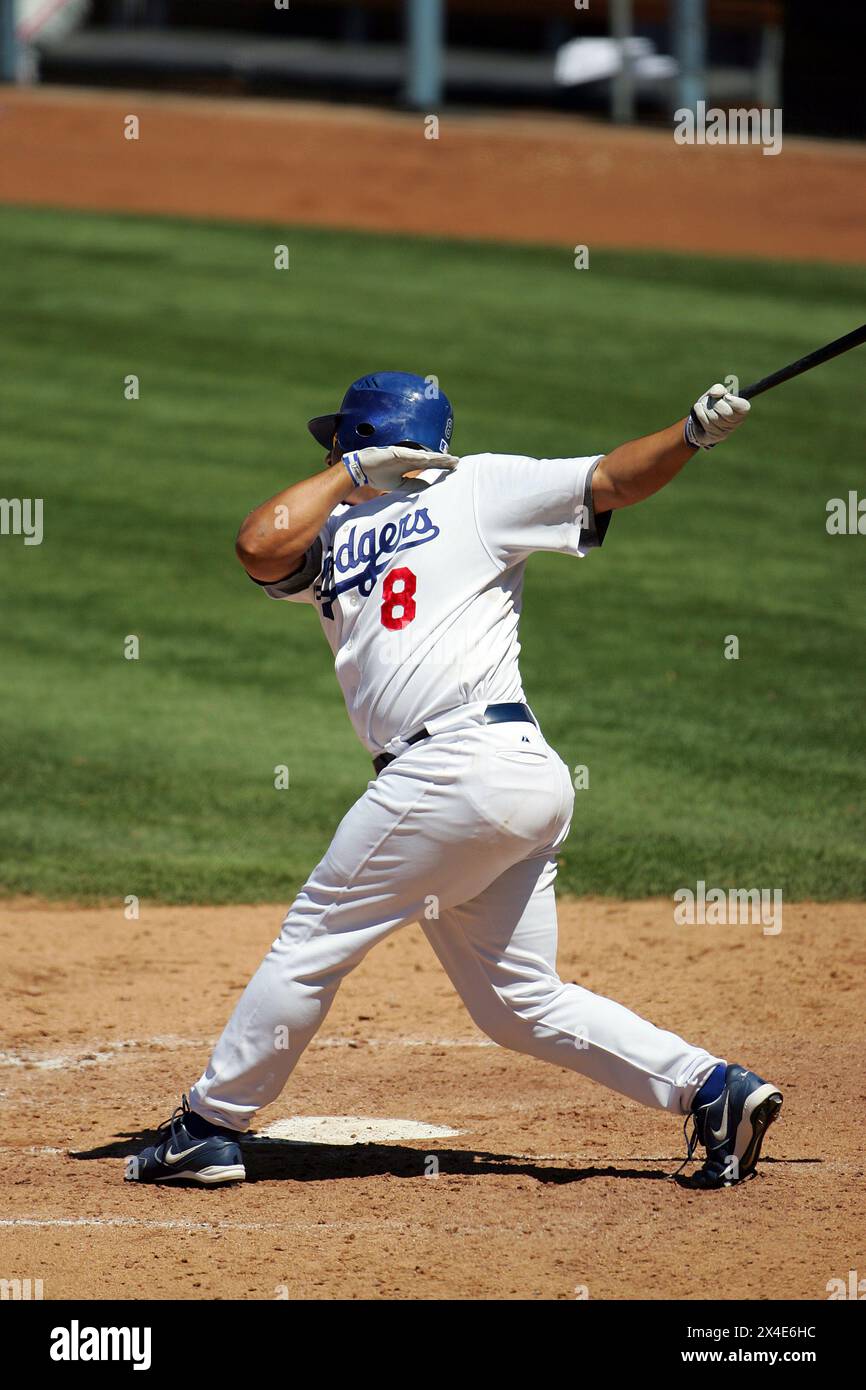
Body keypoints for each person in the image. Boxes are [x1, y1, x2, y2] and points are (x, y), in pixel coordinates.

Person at [127, 371, 782, 1191]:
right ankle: (714, 1090)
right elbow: (259, 544)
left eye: (336, 442)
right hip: (511, 779)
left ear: (355, 436)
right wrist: (357, 476)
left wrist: (690, 434)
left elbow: (612, 478)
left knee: (311, 942)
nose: (327, 454)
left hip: (453, 771)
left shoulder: (481, 485)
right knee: (518, 1004)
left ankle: (207, 1126)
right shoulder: (334, 530)